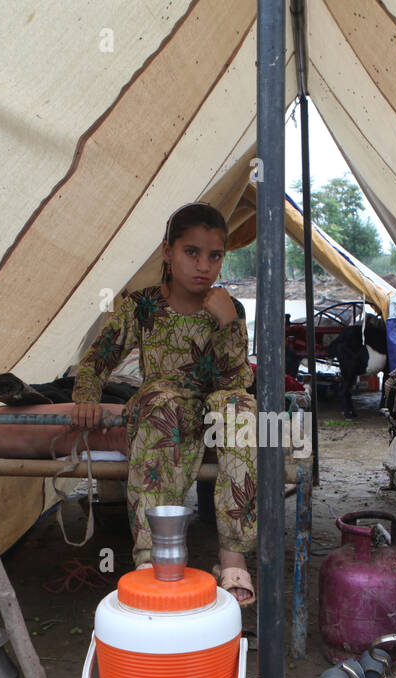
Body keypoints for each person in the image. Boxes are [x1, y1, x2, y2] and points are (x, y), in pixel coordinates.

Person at [69, 202, 257, 606]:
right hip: (165, 405)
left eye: (215, 255)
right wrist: (86, 396)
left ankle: (232, 557)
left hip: (215, 405)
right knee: (161, 403)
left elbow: (237, 380)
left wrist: (227, 324)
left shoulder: (230, 308)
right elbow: (95, 362)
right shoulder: (142, 306)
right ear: (167, 252)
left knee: (240, 410)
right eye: (191, 252)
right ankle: (153, 562)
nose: (203, 265)